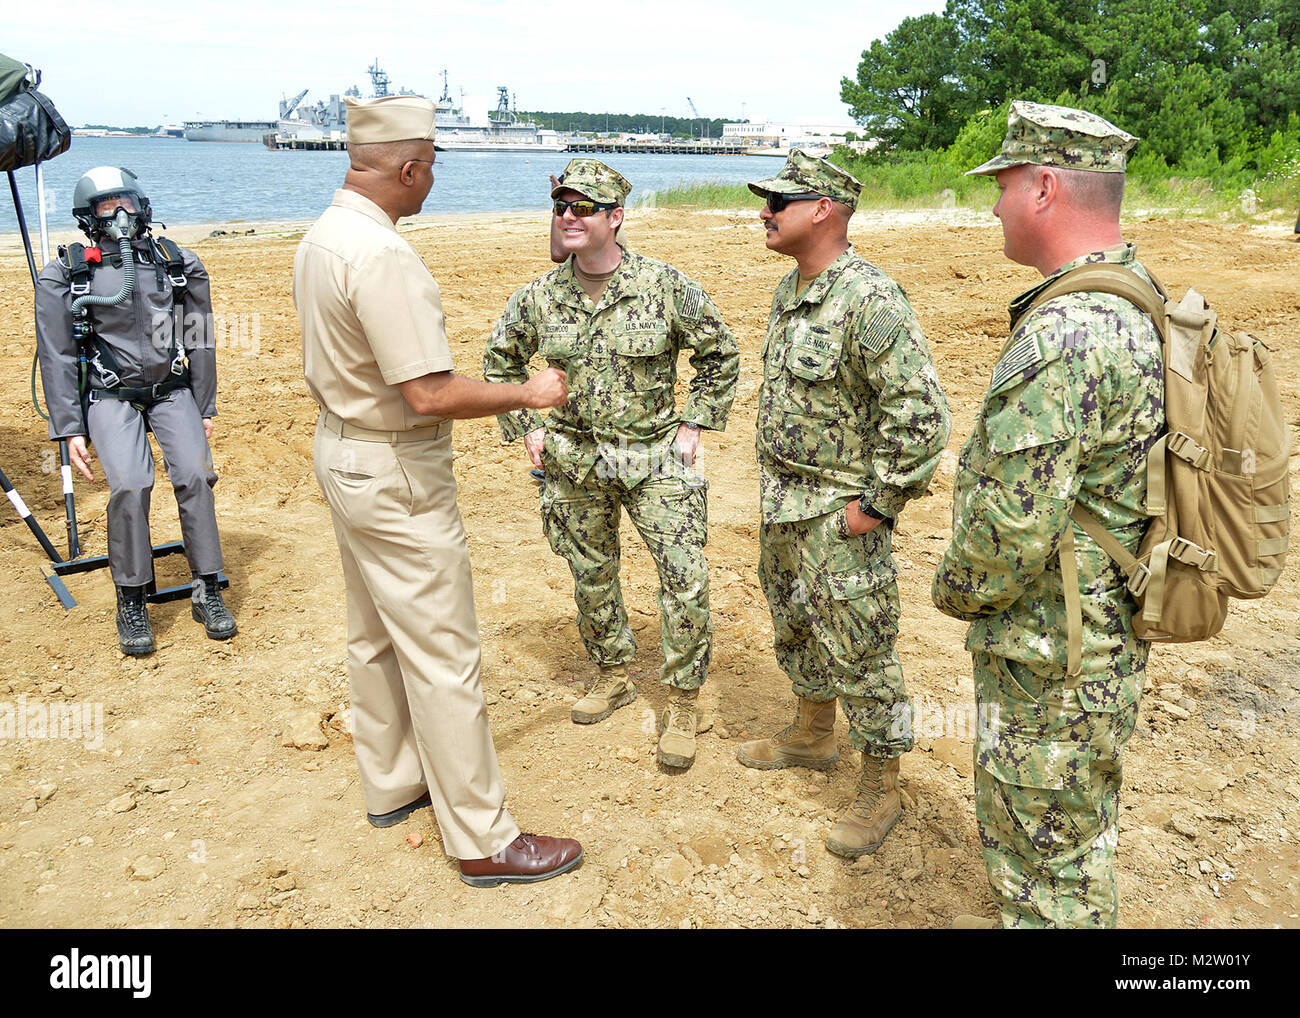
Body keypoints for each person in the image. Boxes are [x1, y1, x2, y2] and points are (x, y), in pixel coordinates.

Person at [293, 94, 581, 886]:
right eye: (432, 167)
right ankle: (483, 838)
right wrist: (527, 393)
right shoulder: (381, 254)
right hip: (395, 466)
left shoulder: (324, 234)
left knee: (374, 630)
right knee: (443, 651)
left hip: (344, 451)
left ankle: (393, 781)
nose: (433, 181)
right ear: (410, 166)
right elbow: (427, 393)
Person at [932, 101, 1162, 927]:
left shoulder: (1063, 332)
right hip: (1104, 635)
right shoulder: (1137, 298)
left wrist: (952, 592)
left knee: (1046, 878)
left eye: (1001, 184)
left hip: (1050, 659)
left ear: (1045, 186)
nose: (992, 204)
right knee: (1074, 842)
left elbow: (1009, 533)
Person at [483, 158, 739, 770]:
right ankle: (613, 672)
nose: (568, 217)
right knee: (591, 574)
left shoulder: (664, 287)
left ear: (615, 217)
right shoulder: (539, 298)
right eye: (561, 207)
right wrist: (526, 430)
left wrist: (693, 423)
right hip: (574, 460)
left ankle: (682, 700)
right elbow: (500, 363)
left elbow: (719, 354)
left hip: (655, 458)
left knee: (684, 577)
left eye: (583, 207)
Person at [737, 150, 951, 859]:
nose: (764, 212)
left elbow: (920, 416)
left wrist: (878, 505)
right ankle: (812, 732)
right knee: (796, 626)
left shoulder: (870, 299)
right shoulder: (790, 290)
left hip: (838, 513)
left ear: (823, 209)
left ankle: (882, 783)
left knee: (861, 650)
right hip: (783, 504)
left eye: (779, 202)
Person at [35, 166, 235, 656]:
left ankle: (206, 585)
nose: (120, 214)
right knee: (129, 483)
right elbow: (57, 355)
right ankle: (131, 597)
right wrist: (69, 428)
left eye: (127, 202)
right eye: (107, 206)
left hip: (171, 390)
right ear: (89, 216)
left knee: (196, 473)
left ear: (143, 205)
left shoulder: (175, 262)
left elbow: (200, 337)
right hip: (110, 394)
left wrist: (203, 403)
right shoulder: (68, 273)